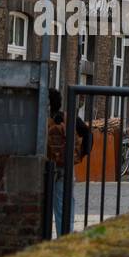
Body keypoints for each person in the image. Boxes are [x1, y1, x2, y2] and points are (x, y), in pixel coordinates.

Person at [45, 88, 92, 238]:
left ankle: (56, 237)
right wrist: (80, 155)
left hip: (48, 166)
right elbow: (88, 134)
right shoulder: (68, 117)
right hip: (67, 166)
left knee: (51, 205)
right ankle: (66, 235)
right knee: (67, 203)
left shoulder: (43, 119)